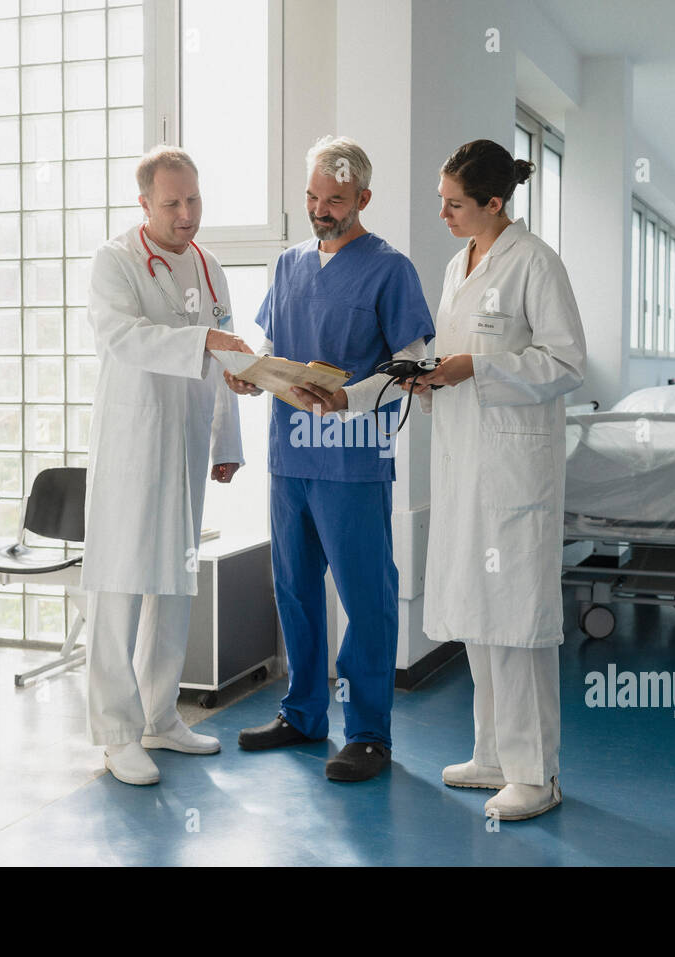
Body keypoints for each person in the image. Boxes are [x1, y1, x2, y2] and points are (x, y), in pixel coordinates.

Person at [228, 136, 435, 781]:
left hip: (352, 461)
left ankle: (369, 732)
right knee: (292, 588)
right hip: (290, 457)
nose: (321, 209)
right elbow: (273, 350)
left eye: (335, 200)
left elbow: (416, 362)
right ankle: (302, 714)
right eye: (313, 197)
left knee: (366, 595)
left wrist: (354, 397)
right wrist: (247, 376)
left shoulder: (390, 268)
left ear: (363, 200)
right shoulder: (288, 265)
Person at [409, 139, 586, 820]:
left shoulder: (536, 263)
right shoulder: (460, 263)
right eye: (442, 200)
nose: (445, 213)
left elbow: (565, 362)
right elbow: (458, 355)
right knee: (480, 617)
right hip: (465, 458)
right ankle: (493, 753)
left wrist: (477, 369)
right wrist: (433, 378)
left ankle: (536, 773)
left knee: (516, 622)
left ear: (494, 202)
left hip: (514, 471)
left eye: (455, 203)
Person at [82, 145, 251, 786]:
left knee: (175, 583)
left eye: (194, 200)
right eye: (172, 203)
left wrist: (228, 435)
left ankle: (159, 716)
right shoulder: (115, 260)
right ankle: (117, 732)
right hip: (131, 444)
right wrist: (203, 342)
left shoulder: (209, 268)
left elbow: (226, 352)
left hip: (182, 445)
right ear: (145, 203)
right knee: (119, 584)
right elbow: (119, 337)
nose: (187, 214)